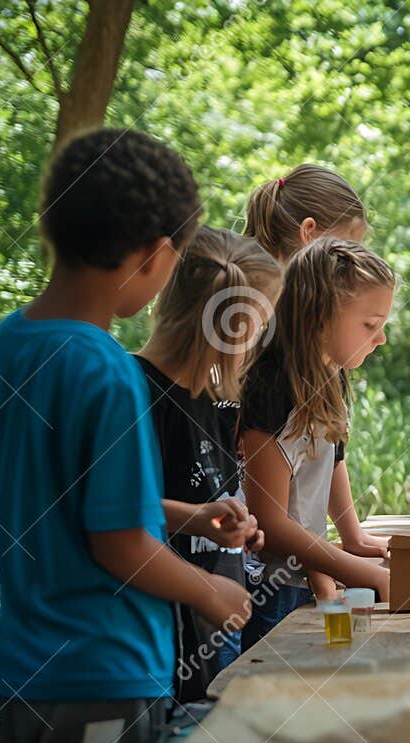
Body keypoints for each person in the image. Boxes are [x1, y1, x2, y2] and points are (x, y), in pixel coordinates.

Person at [0, 129, 251, 743]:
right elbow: (118, 543)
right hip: (102, 673)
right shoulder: (102, 365)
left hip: (24, 669)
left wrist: (189, 517)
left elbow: (54, 499)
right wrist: (213, 589)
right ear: (155, 256)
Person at [134, 227, 281, 703]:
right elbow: (104, 507)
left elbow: (211, 494)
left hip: (210, 634)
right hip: (153, 643)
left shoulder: (217, 398)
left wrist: (237, 527)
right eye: (258, 328)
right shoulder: (132, 392)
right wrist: (193, 519)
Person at [239, 238, 396, 648]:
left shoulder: (332, 373)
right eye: (370, 324)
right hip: (267, 588)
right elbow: (271, 523)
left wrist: (354, 538)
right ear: (319, 316)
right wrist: (371, 576)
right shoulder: (271, 385)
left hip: (305, 575)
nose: (381, 340)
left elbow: (330, 458)